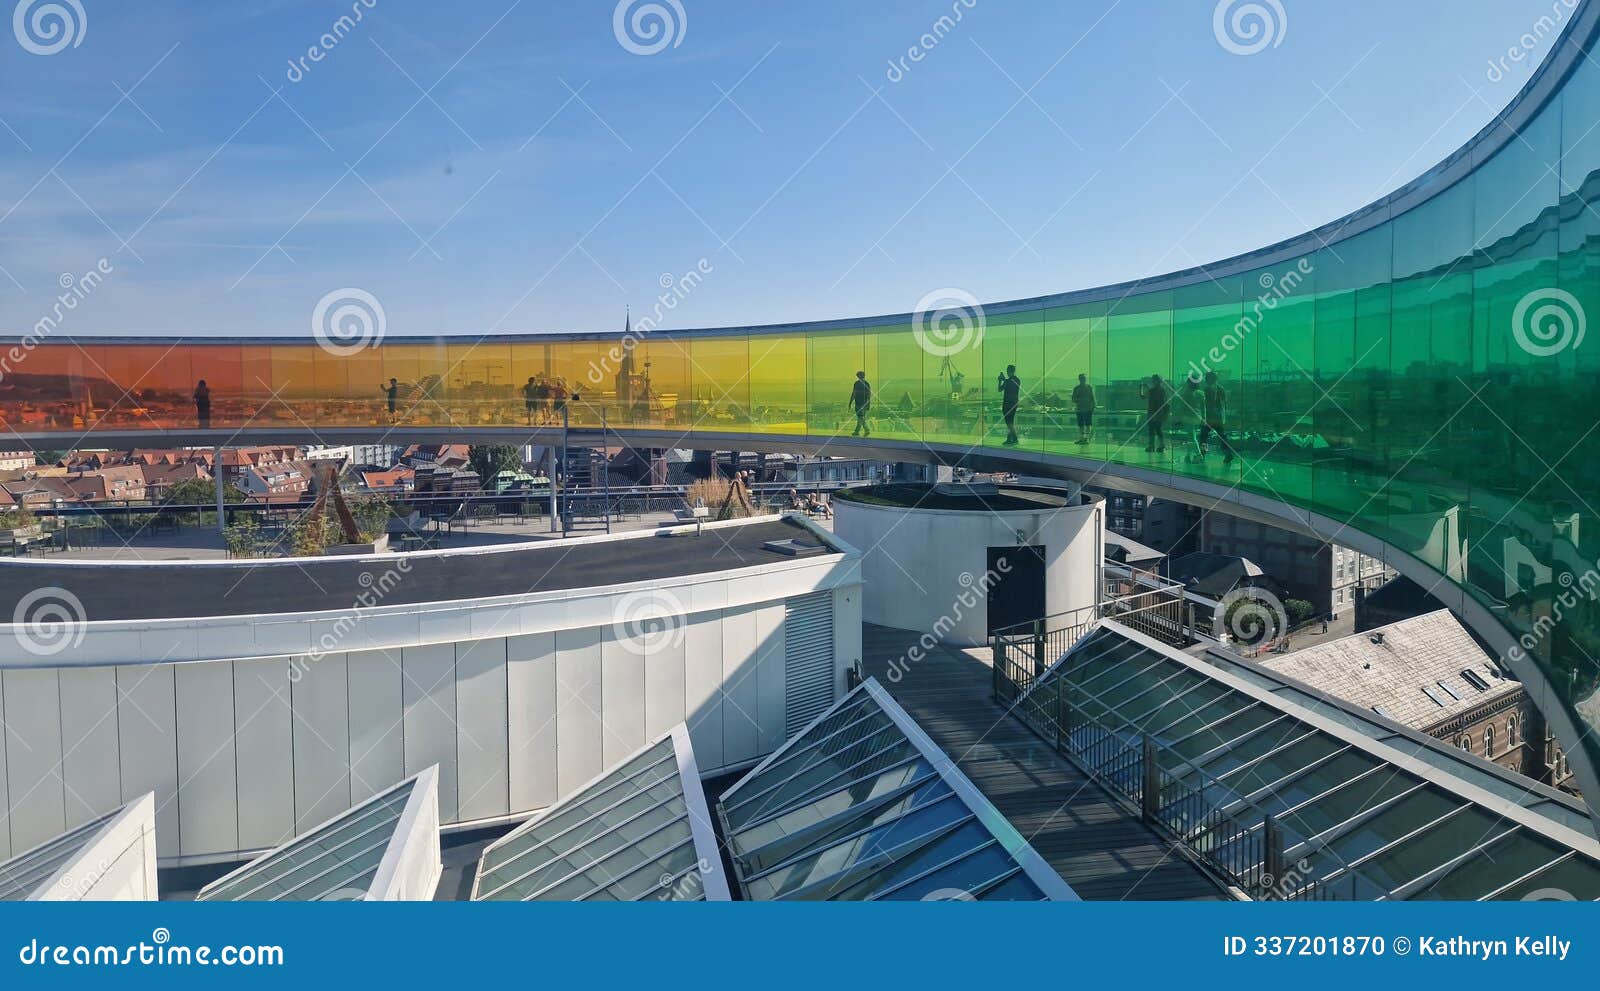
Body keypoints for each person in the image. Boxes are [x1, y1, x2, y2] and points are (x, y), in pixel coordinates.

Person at [1200, 371, 1236, 465]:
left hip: (1209, 418)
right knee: (1222, 437)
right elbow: (1224, 404)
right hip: (1218, 418)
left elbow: (1204, 405)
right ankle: (1228, 454)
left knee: (1203, 437)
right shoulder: (1221, 389)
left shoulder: (1206, 390)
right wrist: (1223, 418)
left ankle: (1203, 454)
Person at [1142, 374, 1168, 453]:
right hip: (1159, 412)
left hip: (1153, 412)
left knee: (1152, 429)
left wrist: (1142, 387)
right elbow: (1165, 402)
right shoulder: (1163, 390)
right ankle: (1161, 446)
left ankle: (1152, 446)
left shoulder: (1152, 390)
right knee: (1157, 429)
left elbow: (1142, 396)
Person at [997, 364, 1021, 446]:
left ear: (1009, 371)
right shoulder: (1011, 380)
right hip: (1008, 404)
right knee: (1009, 422)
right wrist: (1000, 381)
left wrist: (1003, 380)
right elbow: (1000, 389)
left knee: (1009, 422)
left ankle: (1014, 438)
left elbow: (1010, 385)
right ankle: (1011, 438)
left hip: (1010, 404)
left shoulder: (1015, 380)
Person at [1071, 373, 1095, 445]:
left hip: (1088, 409)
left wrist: (1093, 406)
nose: (1083, 379)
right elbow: (1073, 399)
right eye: (1082, 378)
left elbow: (1093, 398)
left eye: (1084, 378)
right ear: (1079, 379)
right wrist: (1080, 400)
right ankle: (1082, 438)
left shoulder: (1089, 387)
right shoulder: (1076, 388)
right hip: (1079, 409)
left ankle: (1086, 439)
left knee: (1088, 424)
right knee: (1081, 425)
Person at [850, 371, 872, 437]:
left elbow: (854, 393)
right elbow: (869, 395)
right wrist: (868, 404)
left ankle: (867, 429)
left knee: (860, 417)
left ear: (858, 376)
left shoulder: (856, 383)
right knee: (861, 418)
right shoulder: (867, 383)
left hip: (858, 403)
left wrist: (850, 402)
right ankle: (857, 431)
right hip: (865, 403)